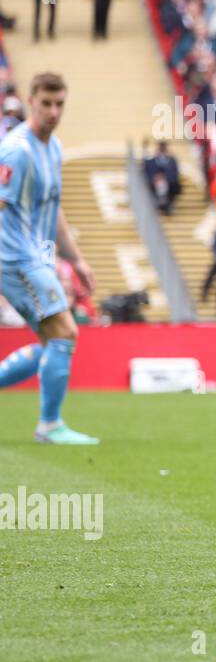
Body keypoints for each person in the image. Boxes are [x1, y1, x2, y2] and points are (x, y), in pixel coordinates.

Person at [0, 72, 99, 444]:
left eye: (60, 104)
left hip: (37, 258)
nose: (53, 111)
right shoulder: (16, 151)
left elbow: (54, 210)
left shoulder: (53, 148)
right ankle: (49, 425)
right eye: (46, 103)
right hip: (14, 258)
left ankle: (50, 424)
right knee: (65, 332)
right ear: (31, 101)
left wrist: (78, 261)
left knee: (52, 342)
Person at [144, 139, 181, 214]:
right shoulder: (152, 161)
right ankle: (162, 202)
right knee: (160, 183)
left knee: (164, 184)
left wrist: (165, 178)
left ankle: (165, 203)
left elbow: (175, 173)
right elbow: (148, 169)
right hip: (155, 183)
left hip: (169, 184)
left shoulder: (172, 161)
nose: (162, 149)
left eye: (163, 147)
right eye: (161, 147)